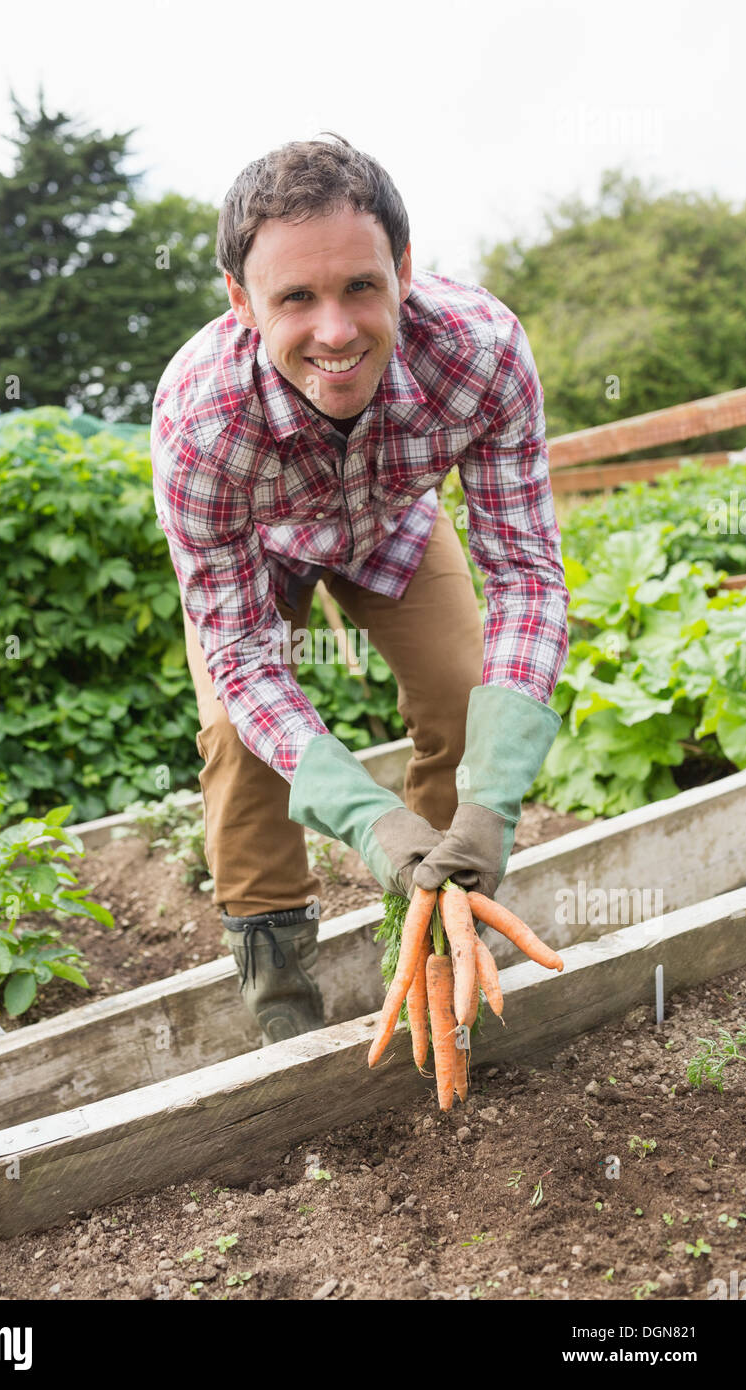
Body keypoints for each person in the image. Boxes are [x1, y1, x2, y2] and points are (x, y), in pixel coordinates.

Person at [151, 132, 569, 1045]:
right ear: (241, 301)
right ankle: (283, 1001)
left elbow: (527, 577)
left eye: (360, 288)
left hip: (391, 525)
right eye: (296, 298)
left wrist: (493, 798)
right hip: (261, 551)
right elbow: (241, 655)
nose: (334, 330)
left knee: (466, 690)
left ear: (404, 270)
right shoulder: (200, 424)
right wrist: (363, 814)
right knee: (237, 738)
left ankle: (429, 933)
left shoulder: (481, 354)